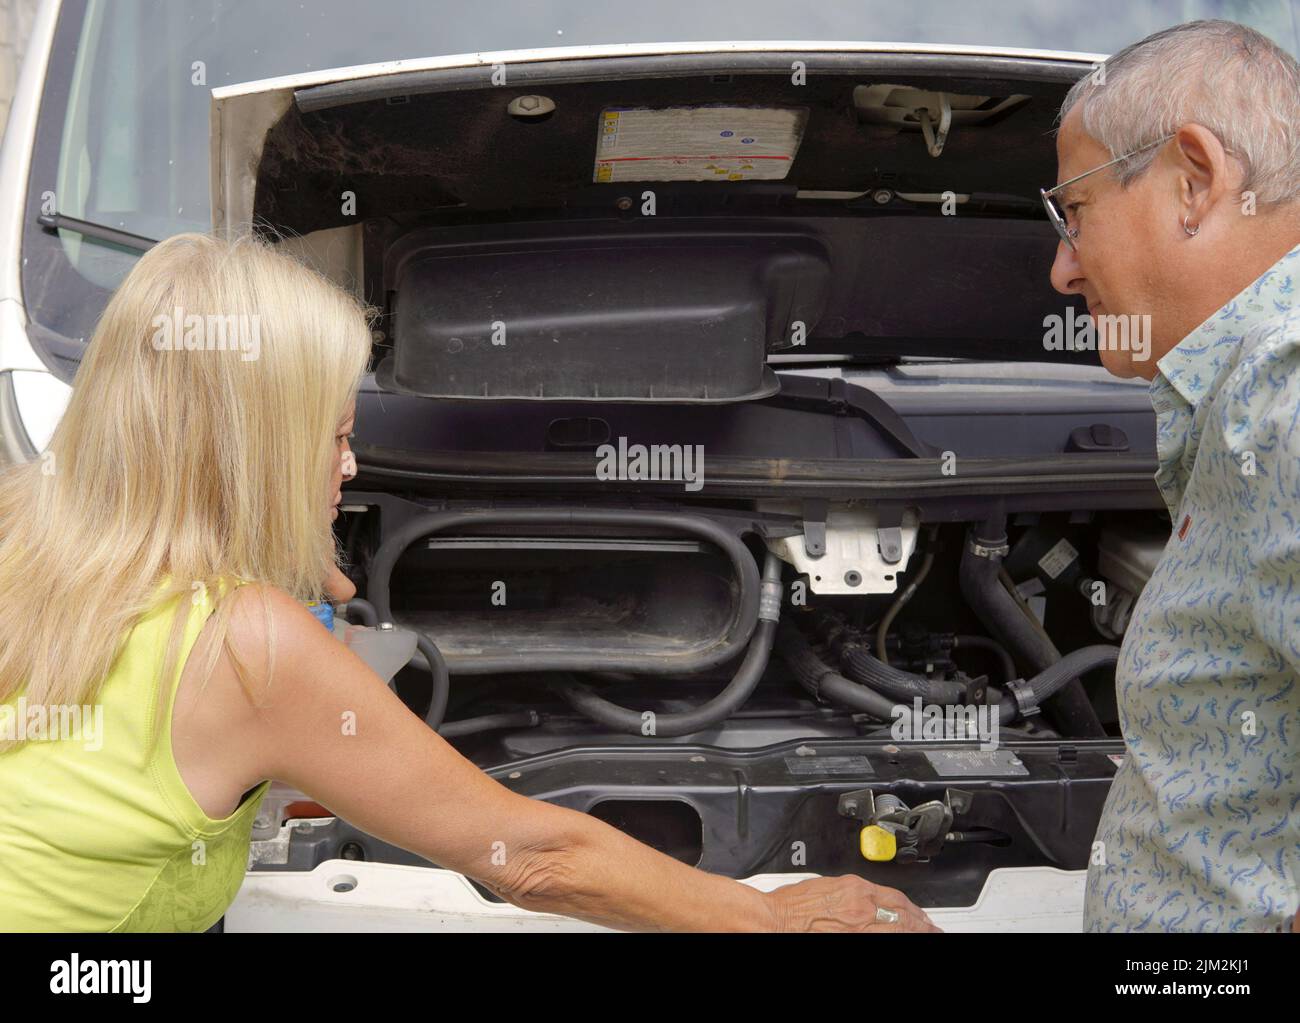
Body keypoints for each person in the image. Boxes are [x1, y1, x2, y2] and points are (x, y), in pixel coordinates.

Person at [0, 232, 937, 933]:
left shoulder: (23, 532)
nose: (352, 467)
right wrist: (773, 918)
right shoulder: (244, 647)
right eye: (330, 437)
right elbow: (535, 857)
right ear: (257, 453)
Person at [1044, 19, 1300, 932]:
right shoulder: (1247, 392)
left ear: (1194, 179)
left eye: (1074, 213)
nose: (1063, 269)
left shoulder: (1287, 389)